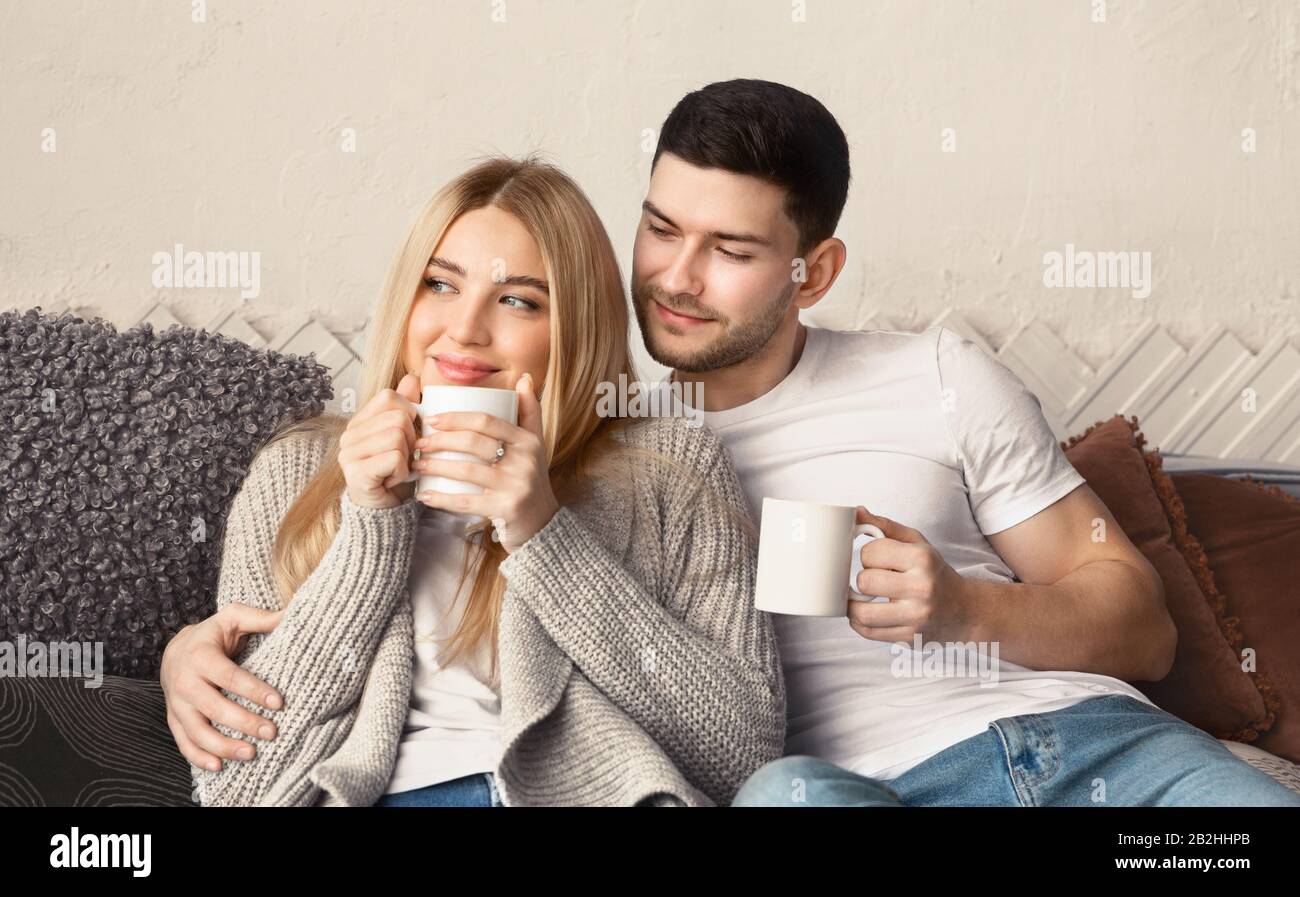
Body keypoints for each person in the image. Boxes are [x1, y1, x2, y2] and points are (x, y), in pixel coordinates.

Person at [633, 78, 1300, 807]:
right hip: (865, 788)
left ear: (814, 273)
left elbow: (1147, 631)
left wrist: (963, 609)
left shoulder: (937, 375)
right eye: (661, 230)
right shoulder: (614, 456)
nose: (677, 279)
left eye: (730, 251)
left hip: (1100, 747)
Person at [166, 155, 786, 807]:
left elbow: (743, 756)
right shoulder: (297, 471)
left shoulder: (670, 466)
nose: (464, 329)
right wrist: (371, 527)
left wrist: (544, 534)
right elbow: (238, 788)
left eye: (518, 300)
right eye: (440, 284)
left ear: (576, 330)